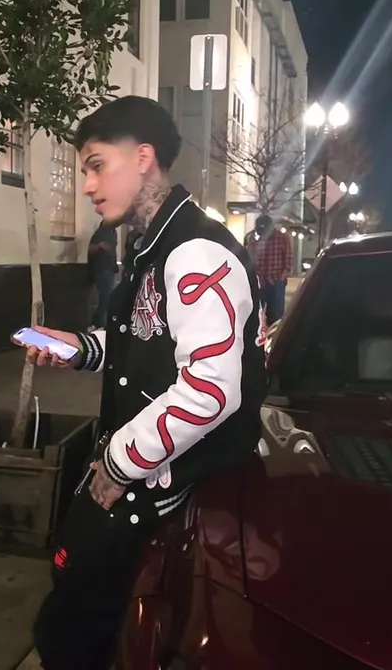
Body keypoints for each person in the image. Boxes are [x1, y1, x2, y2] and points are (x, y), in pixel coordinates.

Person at [19, 95, 267, 670]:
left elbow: (210, 390)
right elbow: (143, 340)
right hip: (141, 477)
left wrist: (119, 462)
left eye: (96, 165)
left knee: (78, 630)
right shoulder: (152, 245)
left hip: (161, 485)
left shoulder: (196, 251)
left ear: (143, 157)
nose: (87, 185)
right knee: (77, 615)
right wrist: (78, 348)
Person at [244, 214, 293, 323]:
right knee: (255, 315)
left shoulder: (282, 238)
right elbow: (249, 258)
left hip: (275, 283)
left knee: (275, 316)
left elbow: (288, 262)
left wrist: (280, 279)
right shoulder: (253, 238)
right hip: (258, 282)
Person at [86, 222, 118, 329]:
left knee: (107, 299)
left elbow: (112, 251)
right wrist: (100, 246)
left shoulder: (113, 232)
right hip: (103, 270)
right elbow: (91, 248)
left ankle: (98, 323)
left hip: (109, 269)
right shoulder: (100, 233)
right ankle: (99, 324)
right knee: (106, 299)